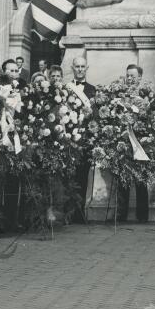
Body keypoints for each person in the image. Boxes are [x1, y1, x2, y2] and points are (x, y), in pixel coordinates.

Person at [116, 66, 150, 224]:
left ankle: (142, 215)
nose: (129, 79)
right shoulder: (120, 95)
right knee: (123, 177)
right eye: (128, 76)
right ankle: (121, 213)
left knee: (141, 178)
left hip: (140, 140)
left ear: (140, 78)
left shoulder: (146, 95)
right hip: (124, 138)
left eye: (133, 76)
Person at [66, 56, 97, 223]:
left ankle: (79, 213)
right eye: (77, 66)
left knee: (83, 176)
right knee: (68, 177)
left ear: (87, 68)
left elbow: (95, 116)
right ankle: (67, 212)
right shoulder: (66, 89)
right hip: (69, 139)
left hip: (84, 140)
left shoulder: (92, 90)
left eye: (82, 66)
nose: (79, 69)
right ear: (72, 67)